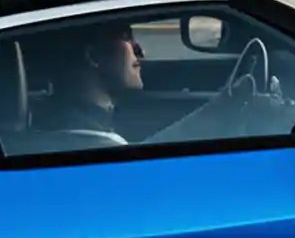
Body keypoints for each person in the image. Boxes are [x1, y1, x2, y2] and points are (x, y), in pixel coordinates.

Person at [34, 21, 255, 145]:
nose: (140, 50)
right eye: (126, 37)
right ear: (93, 57)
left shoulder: (60, 124)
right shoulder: (93, 143)